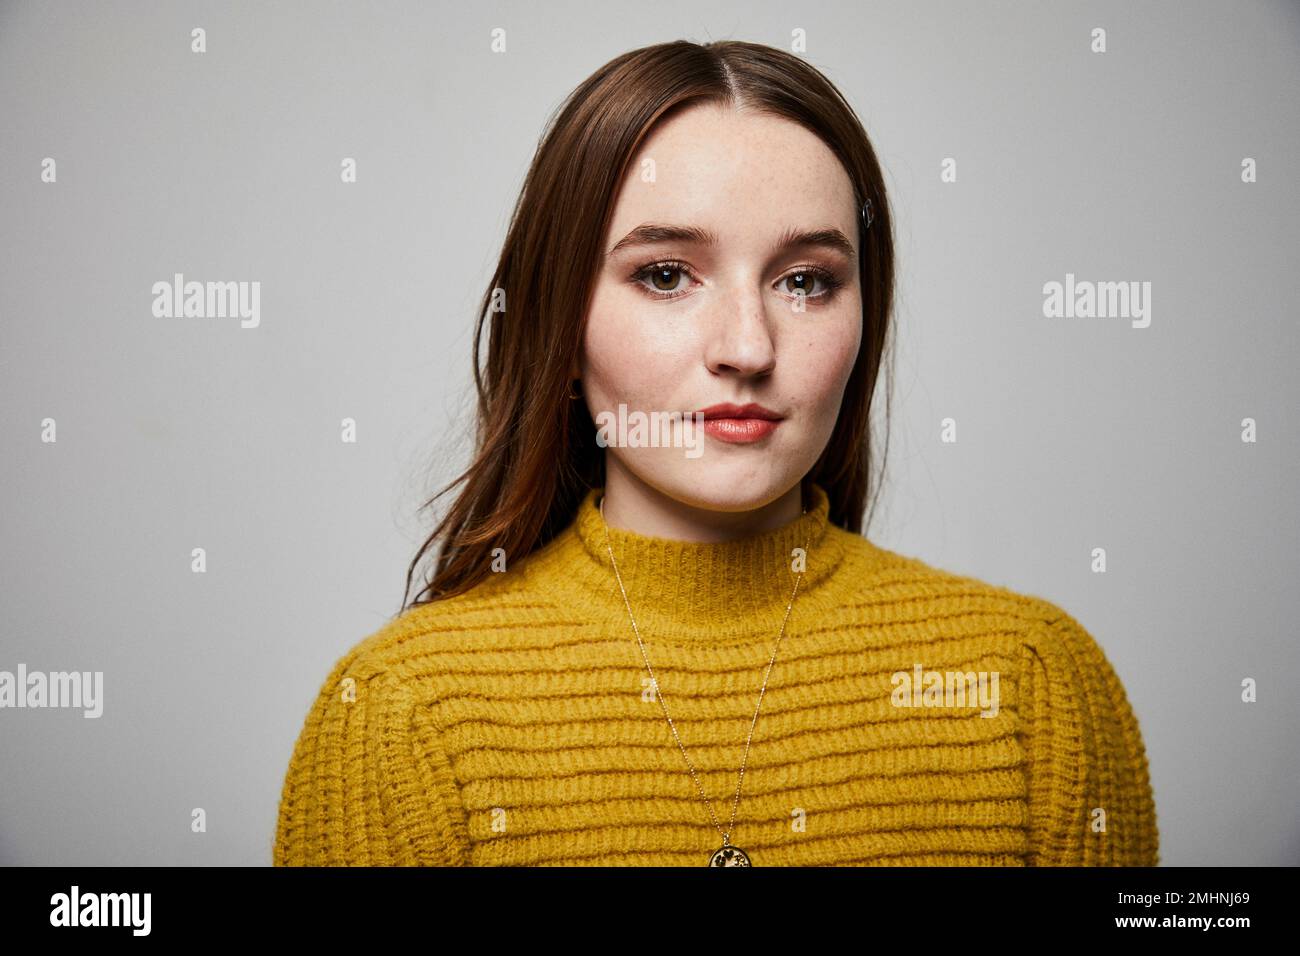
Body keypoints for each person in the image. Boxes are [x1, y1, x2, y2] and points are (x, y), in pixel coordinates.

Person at [274, 39, 1158, 867]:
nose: (748, 347)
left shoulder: (1034, 684)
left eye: (806, 281)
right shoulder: (397, 713)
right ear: (560, 322)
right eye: (665, 275)